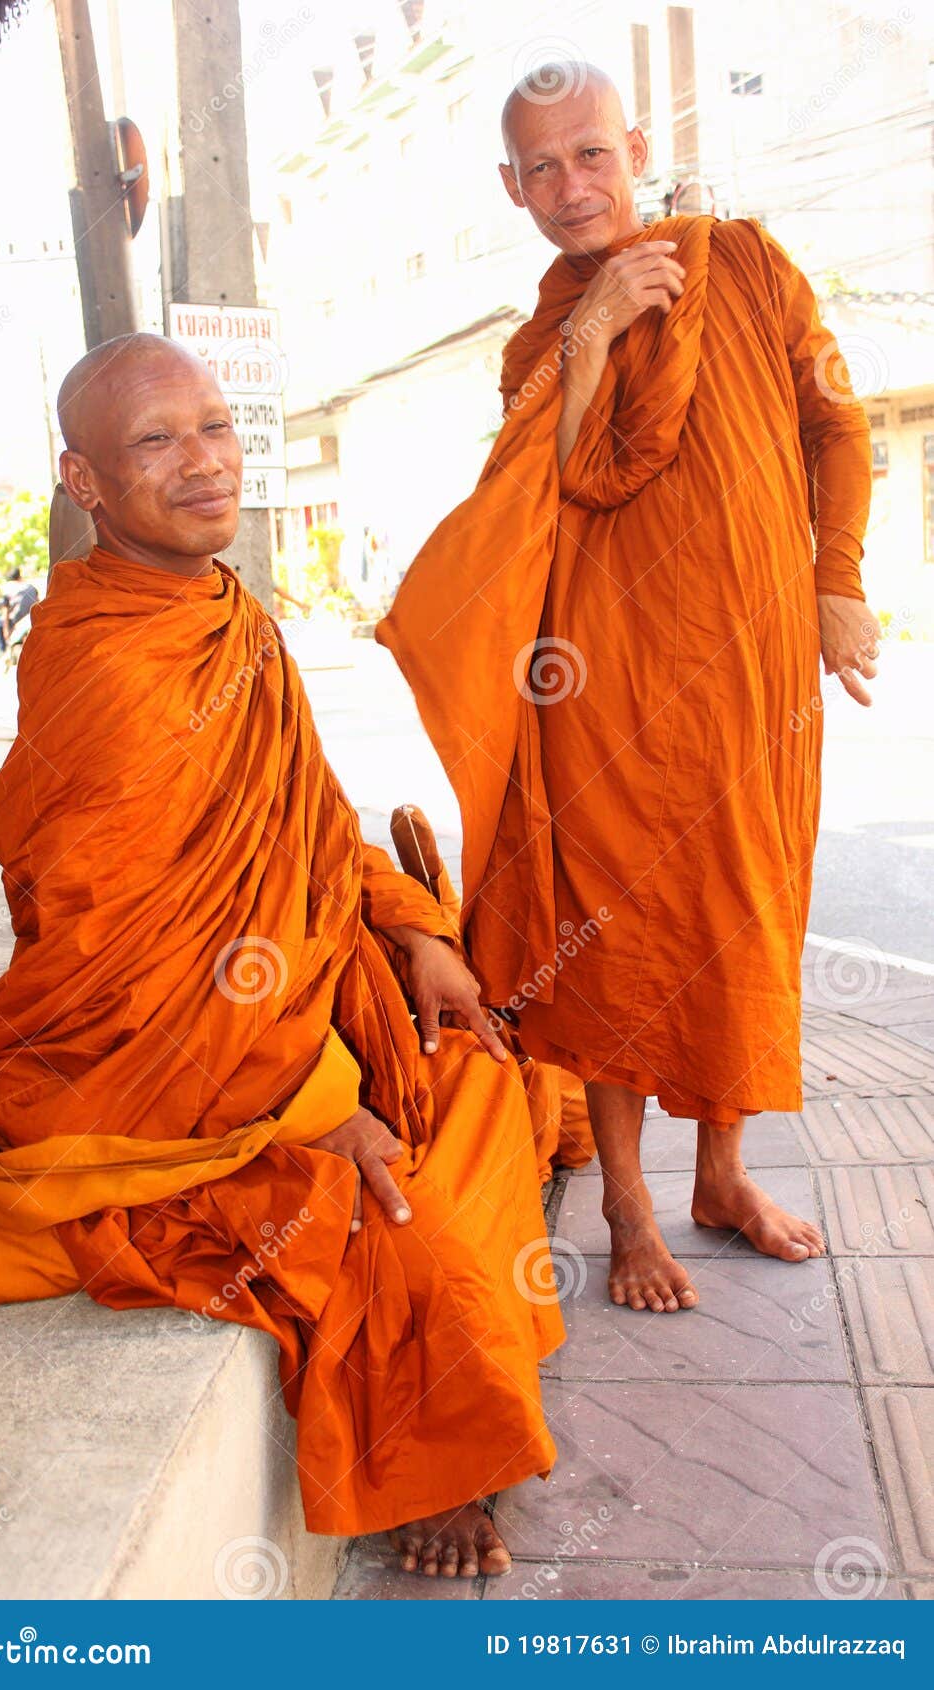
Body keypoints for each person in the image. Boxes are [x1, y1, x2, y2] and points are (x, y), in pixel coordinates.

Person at [0, 333, 563, 1579]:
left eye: (215, 427)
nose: (204, 464)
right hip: (145, 1077)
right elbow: (127, 961)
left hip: (271, 1019)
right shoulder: (108, 662)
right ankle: (436, 1470)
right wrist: (306, 1105)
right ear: (84, 483)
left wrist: (411, 929)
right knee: (377, 1212)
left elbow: (310, 810)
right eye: (155, 441)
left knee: (482, 1081)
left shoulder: (228, 612)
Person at [378, 64, 879, 1315]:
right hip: (595, 676)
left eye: (588, 155)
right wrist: (595, 326)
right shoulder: (536, 339)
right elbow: (568, 479)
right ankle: (626, 1202)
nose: (569, 186)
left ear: (634, 147)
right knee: (604, 929)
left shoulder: (745, 265)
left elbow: (837, 424)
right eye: (539, 168)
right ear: (509, 188)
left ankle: (721, 1175)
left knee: (737, 913)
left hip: (755, 670)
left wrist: (837, 578)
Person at [0, 566, 39, 655]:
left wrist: (6, 630)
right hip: (31, 618)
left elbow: (5, 609)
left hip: (15, 620)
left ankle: (3, 650)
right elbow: (38, 603)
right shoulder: (31, 587)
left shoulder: (7, 588)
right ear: (19, 576)